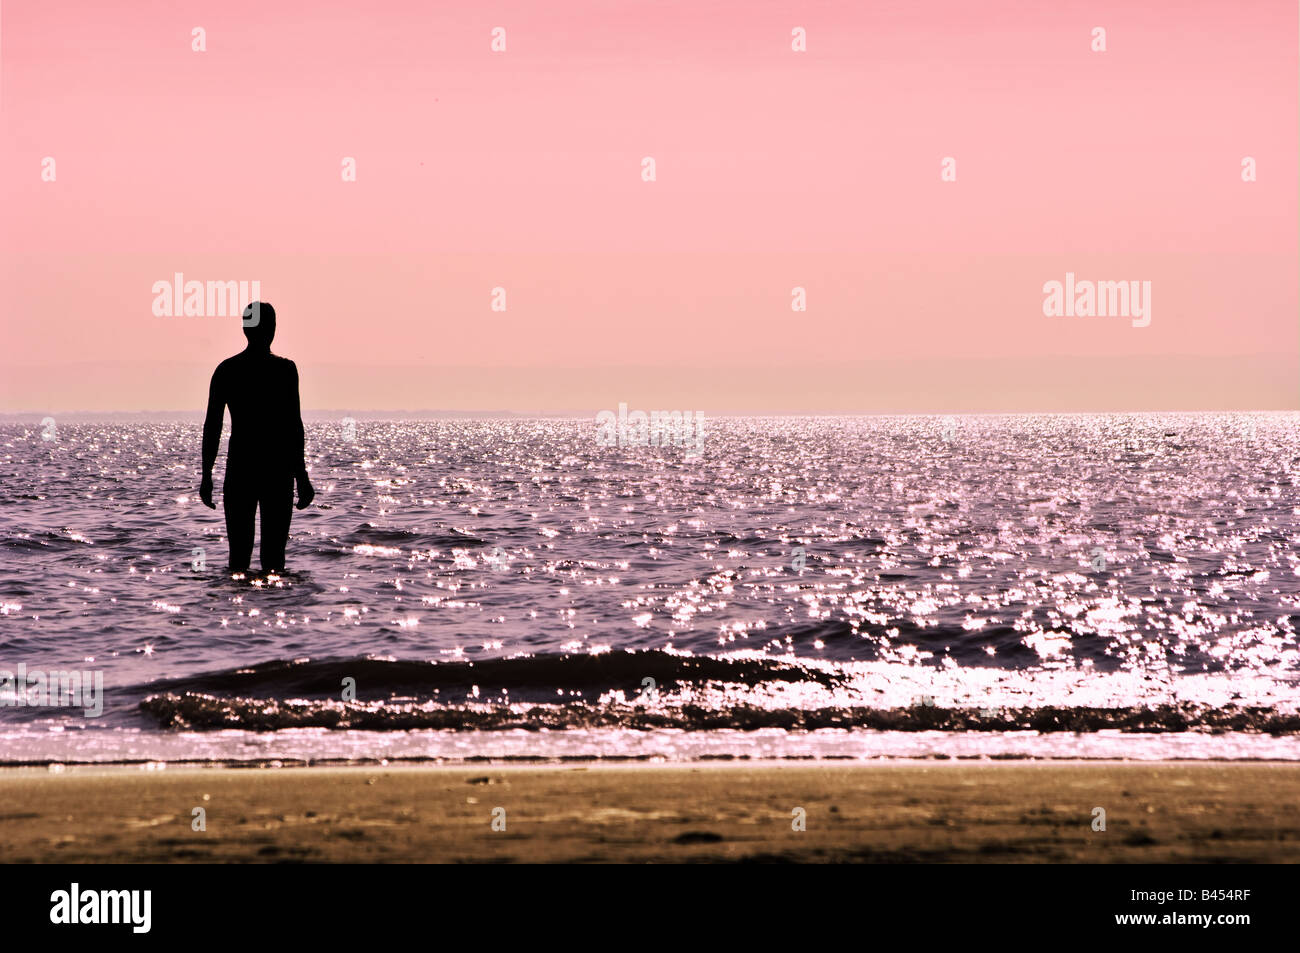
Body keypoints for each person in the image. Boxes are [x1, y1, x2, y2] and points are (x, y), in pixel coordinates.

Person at [199, 301, 314, 571]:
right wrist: (303, 477)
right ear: (271, 329)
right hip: (276, 471)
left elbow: (212, 428)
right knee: (274, 559)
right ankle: (275, 608)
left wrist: (207, 476)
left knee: (238, 559)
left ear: (245, 328)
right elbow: (293, 427)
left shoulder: (227, 370)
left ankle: (236, 608)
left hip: (242, 470)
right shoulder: (284, 370)